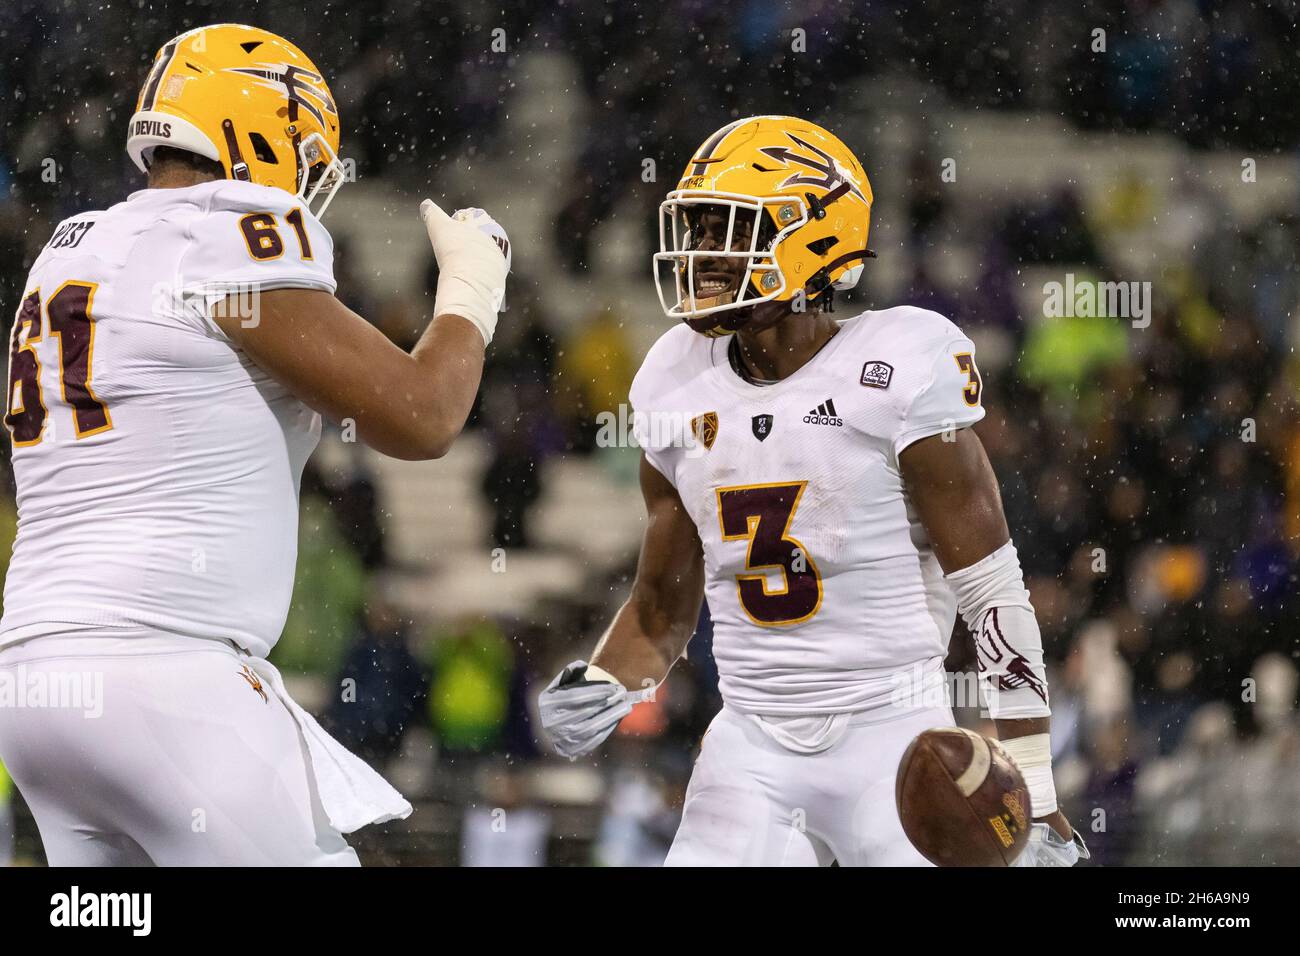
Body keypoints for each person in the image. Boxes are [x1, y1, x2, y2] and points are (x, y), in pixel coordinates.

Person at [0, 23, 509, 865]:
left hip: (35, 684)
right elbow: (423, 416)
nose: (310, 183)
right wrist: (472, 291)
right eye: (306, 153)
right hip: (165, 680)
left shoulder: (69, 251)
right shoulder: (226, 232)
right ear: (260, 131)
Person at [539, 115, 1087, 867]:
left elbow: (993, 596)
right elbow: (663, 608)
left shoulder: (899, 364)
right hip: (752, 741)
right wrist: (606, 677)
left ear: (812, 238)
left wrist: (1035, 788)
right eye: (698, 231)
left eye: (728, 232)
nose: (702, 255)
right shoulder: (674, 378)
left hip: (898, 738)